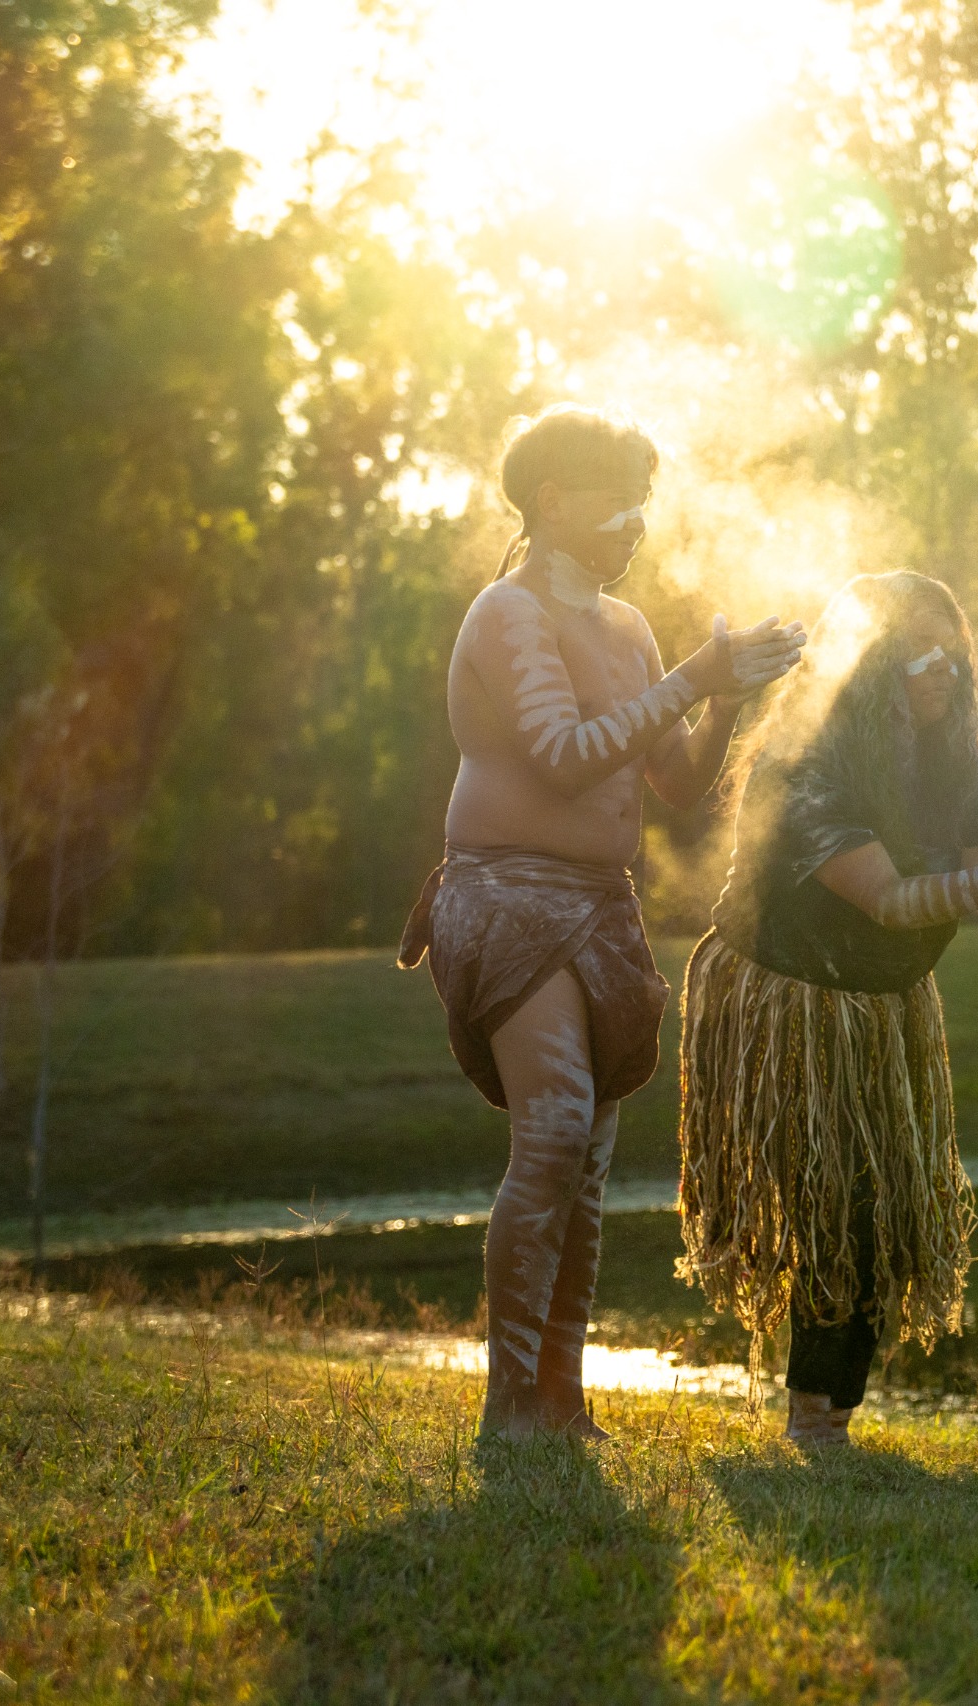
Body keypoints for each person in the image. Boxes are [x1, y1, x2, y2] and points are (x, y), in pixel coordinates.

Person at [399, 404, 807, 1441]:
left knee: (586, 1156)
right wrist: (694, 679)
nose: (634, 520)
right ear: (550, 500)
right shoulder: (508, 613)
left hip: (601, 906)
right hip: (506, 893)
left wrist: (726, 703)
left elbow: (670, 781)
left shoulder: (628, 627)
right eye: (614, 497)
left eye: (644, 499)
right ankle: (506, 1408)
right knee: (554, 1131)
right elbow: (565, 752)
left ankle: (560, 1399)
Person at [676, 570, 978, 1449]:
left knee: (875, 1203)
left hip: (883, 1004)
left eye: (953, 647)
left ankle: (832, 1412)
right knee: (831, 1201)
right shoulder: (813, 759)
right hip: (791, 997)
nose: (942, 665)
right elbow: (892, 899)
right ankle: (812, 1419)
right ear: (871, 662)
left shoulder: (959, 759)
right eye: (918, 648)